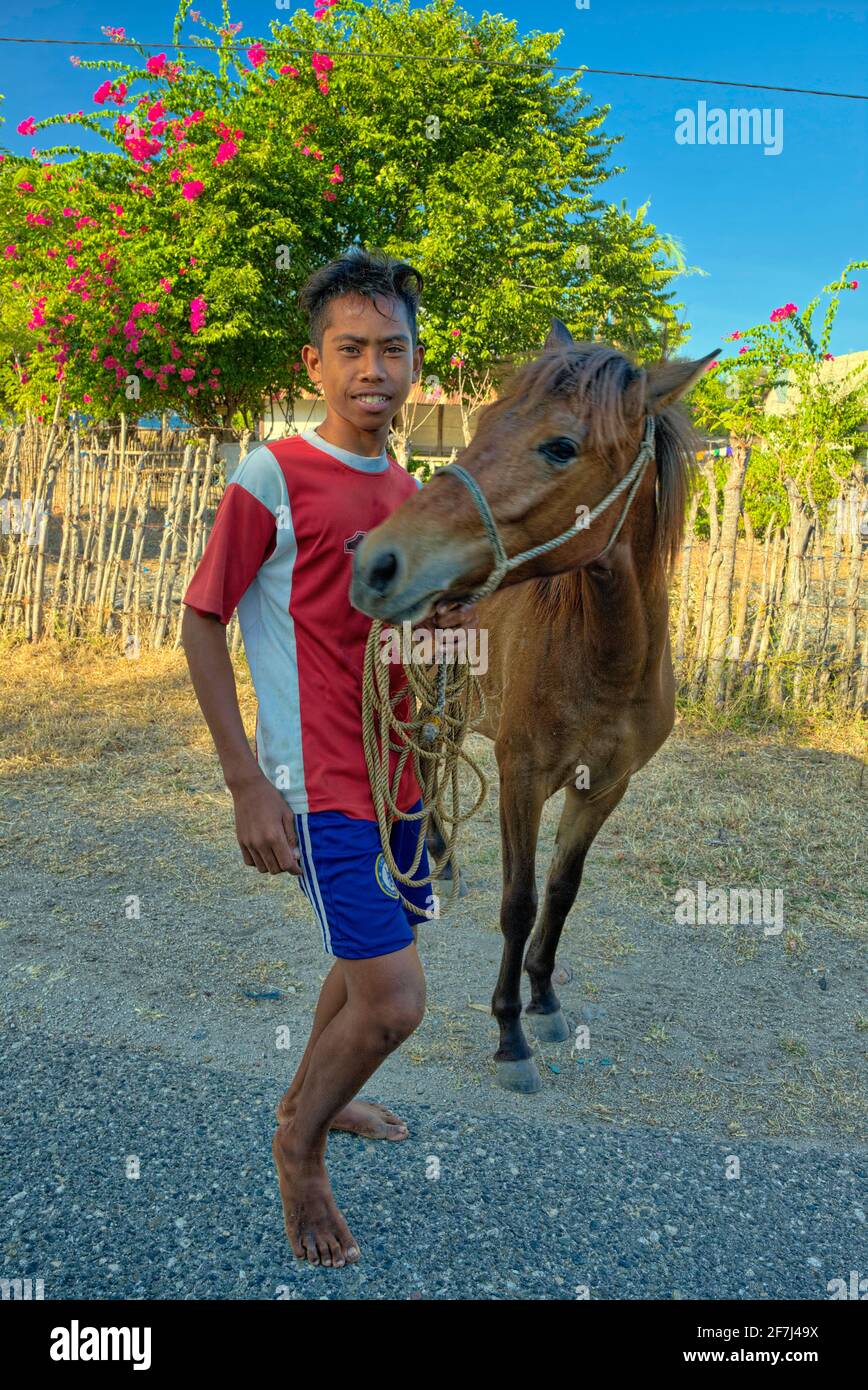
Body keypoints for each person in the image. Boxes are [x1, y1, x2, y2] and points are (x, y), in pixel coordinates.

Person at [181, 248, 478, 1269]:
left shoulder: (405, 487)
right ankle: (298, 1150)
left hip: (399, 778)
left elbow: (394, 638)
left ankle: (311, 1092)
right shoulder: (273, 473)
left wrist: (451, 621)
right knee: (394, 1001)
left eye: (393, 349)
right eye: (350, 348)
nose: (373, 369)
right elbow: (201, 619)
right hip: (316, 785)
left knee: (364, 970)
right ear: (315, 363)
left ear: (414, 363)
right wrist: (245, 783)